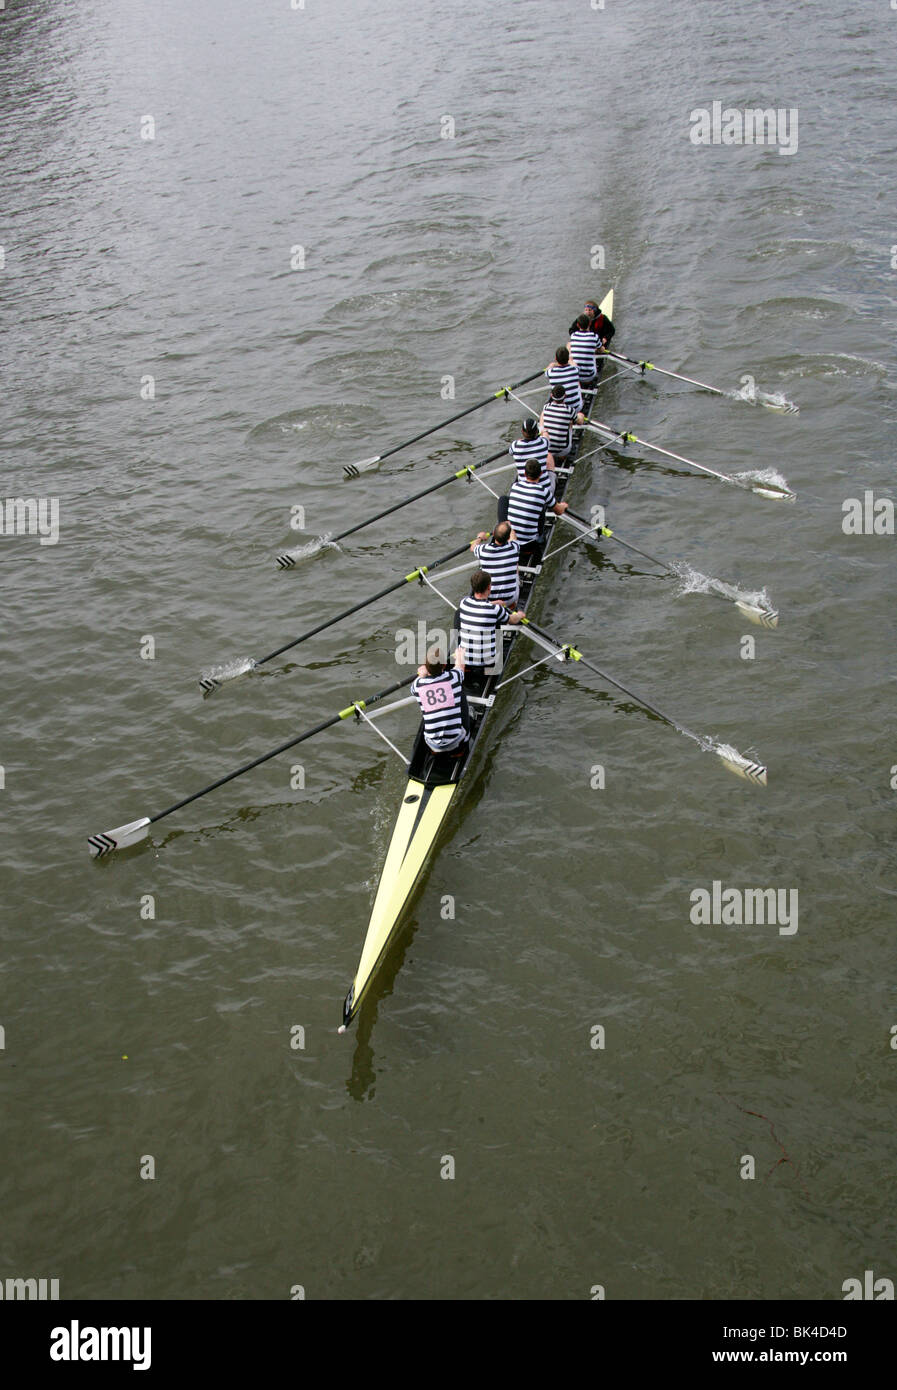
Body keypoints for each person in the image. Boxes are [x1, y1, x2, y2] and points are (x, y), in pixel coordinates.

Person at [456, 570, 523, 678]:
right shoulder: (495, 609)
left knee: (458, 614)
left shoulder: (463, 602)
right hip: (488, 665)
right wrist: (520, 614)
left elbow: (480, 607)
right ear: (489, 587)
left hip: (464, 661)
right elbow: (513, 620)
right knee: (497, 620)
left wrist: (493, 603)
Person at [506, 458, 568, 565]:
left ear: (524, 474)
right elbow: (558, 512)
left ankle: (502, 531)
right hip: (528, 546)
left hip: (509, 539)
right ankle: (540, 538)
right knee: (542, 506)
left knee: (503, 499)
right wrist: (563, 506)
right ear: (541, 474)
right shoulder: (543, 491)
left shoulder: (514, 486)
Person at [411, 644, 470, 756]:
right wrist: (460, 656)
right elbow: (460, 666)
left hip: (432, 744)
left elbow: (413, 689)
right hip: (456, 742)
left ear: (425, 666)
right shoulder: (454, 677)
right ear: (444, 665)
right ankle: (460, 751)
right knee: (460, 691)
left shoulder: (418, 684)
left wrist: (421, 675)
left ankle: (434, 751)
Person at [469, 520, 521, 607]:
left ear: (494, 534)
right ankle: (512, 604)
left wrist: (480, 537)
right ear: (508, 538)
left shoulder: (483, 550)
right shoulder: (514, 547)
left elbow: (472, 547)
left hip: (489, 598)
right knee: (516, 565)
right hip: (509, 599)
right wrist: (510, 527)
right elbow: (513, 537)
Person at [509, 416, 556, 492]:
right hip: (545, 489)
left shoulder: (515, 445)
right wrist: (544, 431)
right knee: (549, 456)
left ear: (522, 432)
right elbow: (546, 438)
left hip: (523, 491)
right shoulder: (543, 442)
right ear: (537, 431)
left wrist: (520, 441)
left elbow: (510, 452)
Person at [545, 345, 585, 421]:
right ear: (567, 359)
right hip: (576, 408)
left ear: (556, 359)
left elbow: (546, 371)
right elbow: (574, 364)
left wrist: (552, 365)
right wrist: (570, 360)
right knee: (577, 382)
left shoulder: (550, 372)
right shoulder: (574, 370)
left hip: (559, 411)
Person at [539, 384, 576, 461]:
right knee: (571, 421)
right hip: (563, 450)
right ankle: (562, 455)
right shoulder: (570, 410)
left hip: (547, 448)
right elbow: (579, 422)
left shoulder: (546, 407)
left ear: (551, 396)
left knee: (543, 414)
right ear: (565, 396)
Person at [568, 313, 601, 386]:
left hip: (575, 375)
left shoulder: (573, 335)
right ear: (590, 324)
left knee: (569, 344)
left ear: (578, 325)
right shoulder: (594, 336)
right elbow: (600, 349)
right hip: (589, 376)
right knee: (594, 351)